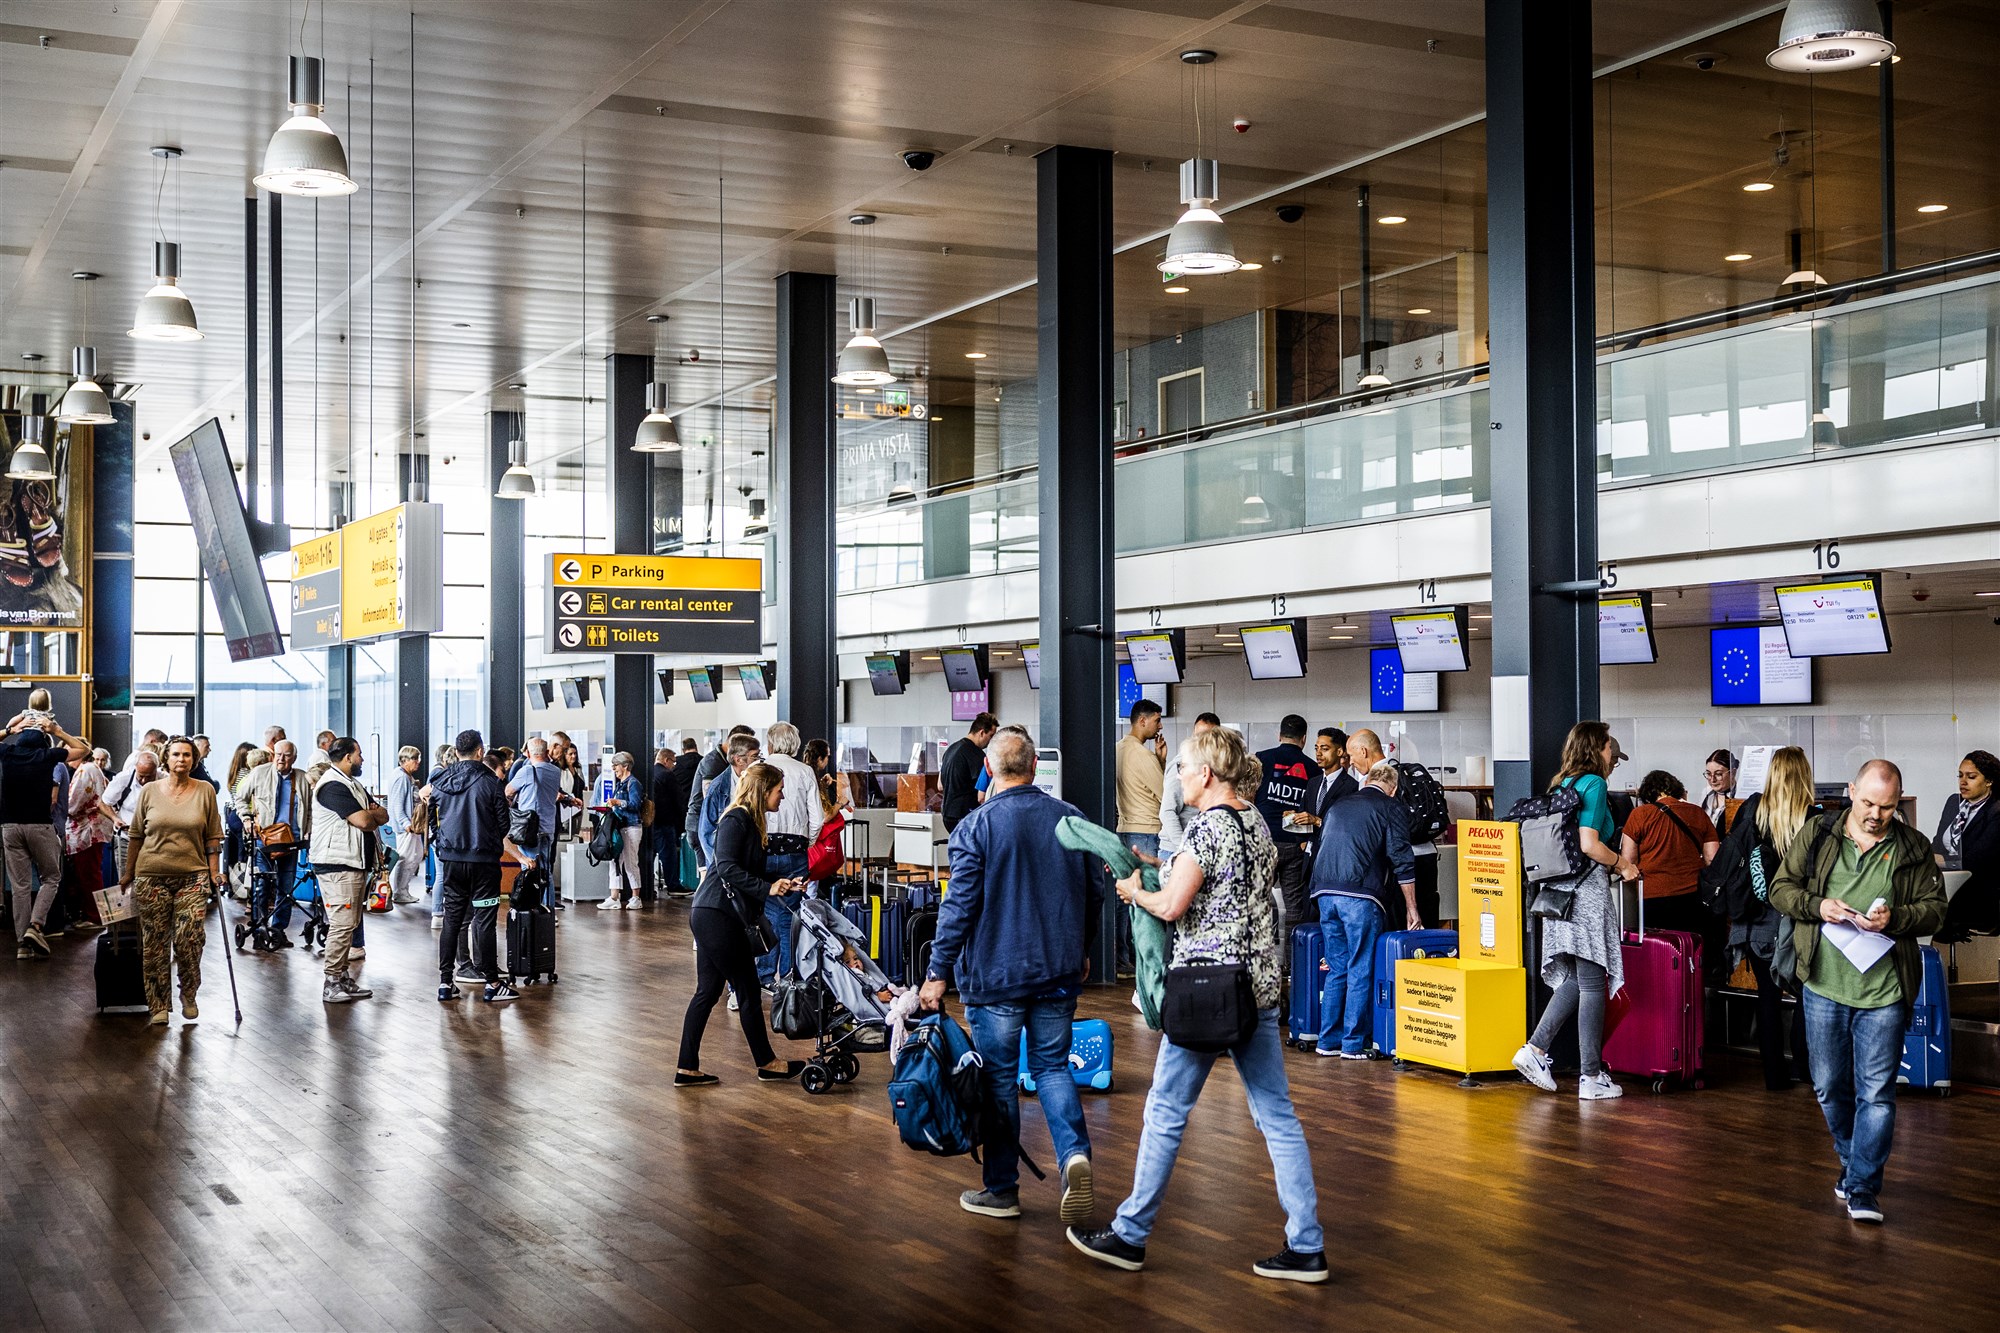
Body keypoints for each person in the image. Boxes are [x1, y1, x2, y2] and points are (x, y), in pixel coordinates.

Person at [1072, 726, 1325, 1283]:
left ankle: (1130, 1234)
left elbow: (1171, 906)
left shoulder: (1207, 828)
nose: (1178, 775)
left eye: (1182, 767)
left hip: (1207, 995)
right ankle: (1306, 1244)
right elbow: (1221, 890)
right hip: (1256, 991)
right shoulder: (1255, 820)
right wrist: (1161, 868)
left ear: (1206, 774)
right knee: (1277, 1118)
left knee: (1164, 1112)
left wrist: (1137, 890)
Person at [919, 728, 1101, 1224]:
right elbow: (1096, 894)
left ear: (991, 769)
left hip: (995, 978)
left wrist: (937, 973)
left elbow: (958, 908)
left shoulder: (975, 828)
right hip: (1058, 972)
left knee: (999, 1079)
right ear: (1034, 765)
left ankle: (1002, 1190)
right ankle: (1074, 1159)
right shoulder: (1072, 820)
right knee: (1052, 1067)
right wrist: (1080, 950)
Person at [1769, 759, 1946, 1225]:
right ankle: (1851, 1164)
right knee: (1829, 1087)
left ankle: (1864, 1185)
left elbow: (1935, 911)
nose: (1875, 814)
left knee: (1878, 1095)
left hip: (1885, 992)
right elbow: (1780, 889)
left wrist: (1898, 919)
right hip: (1824, 985)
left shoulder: (1913, 846)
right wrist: (1819, 906)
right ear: (1851, 791)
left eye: (1887, 807)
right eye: (1867, 802)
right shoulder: (1819, 835)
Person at [1512, 722, 1639, 1101]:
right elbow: (1588, 844)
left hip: (1557, 894)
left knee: (1575, 980)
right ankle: (1591, 1076)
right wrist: (1623, 864)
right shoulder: (1594, 785)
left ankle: (1534, 1050)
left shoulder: (1561, 784)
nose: (1610, 755)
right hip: (1585, 894)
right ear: (1598, 748)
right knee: (1592, 982)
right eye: (1607, 747)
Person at [675, 761, 806, 1086]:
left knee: (708, 991)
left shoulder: (749, 821)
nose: (782, 795)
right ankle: (767, 1063)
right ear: (763, 791)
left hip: (713, 913)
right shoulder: (736, 819)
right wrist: (767, 888)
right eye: (778, 790)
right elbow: (728, 868)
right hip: (718, 915)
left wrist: (781, 881)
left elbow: (746, 869)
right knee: (746, 990)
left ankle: (686, 1067)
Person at [1309, 759, 1419, 1058]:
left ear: (1366, 780)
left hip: (1323, 892)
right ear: (1393, 789)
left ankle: (1327, 1041)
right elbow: (1401, 859)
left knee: (1337, 967)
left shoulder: (1339, 805)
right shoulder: (1390, 807)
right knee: (1360, 966)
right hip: (1358, 895)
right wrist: (1412, 908)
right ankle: (1353, 1043)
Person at [1722, 745, 1817, 1090]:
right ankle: (1802, 1067)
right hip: (1796, 919)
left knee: (1768, 995)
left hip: (1755, 919)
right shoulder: (1813, 816)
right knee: (1807, 993)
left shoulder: (1751, 809)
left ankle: (1773, 1075)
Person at [119, 737, 223, 1024]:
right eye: (176, 754)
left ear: (194, 760)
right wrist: (128, 873)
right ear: (166, 759)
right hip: (152, 875)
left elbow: (213, 837)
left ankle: (188, 992)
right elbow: (137, 835)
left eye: (187, 755)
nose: (182, 759)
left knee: (190, 938)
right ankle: (158, 1005)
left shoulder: (205, 791)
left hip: (193, 875)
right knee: (155, 943)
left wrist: (215, 872)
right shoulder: (150, 791)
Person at [428, 730, 518, 1003]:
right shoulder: (491, 782)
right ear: (480, 752)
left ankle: (445, 982)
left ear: (456, 753)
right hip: (483, 863)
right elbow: (504, 825)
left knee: (452, 920)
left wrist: (445, 843)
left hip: (452, 861)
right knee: (485, 921)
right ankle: (492, 983)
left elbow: (432, 819)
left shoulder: (440, 780)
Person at [309, 738, 386, 1004]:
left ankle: (343, 978)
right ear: (347, 757)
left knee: (350, 923)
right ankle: (331, 982)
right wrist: (368, 814)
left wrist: (370, 814)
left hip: (353, 862)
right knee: (342, 924)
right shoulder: (332, 785)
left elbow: (383, 815)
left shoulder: (353, 784)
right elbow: (365, 820)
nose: (362, 759)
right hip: (337, 863)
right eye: (359, 754)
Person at [758, 722, 825, 981]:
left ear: (771, 743)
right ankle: (788, 975)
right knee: (790, 914)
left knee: (764, 913)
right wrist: (805, 843)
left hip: (763, 851)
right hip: (795, 851)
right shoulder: (805, 771)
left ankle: (763, 975)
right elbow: (817, 818)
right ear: (795, 744)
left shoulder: (756, 769)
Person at [1619, 769, 1720, 938]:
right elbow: (1712, 858)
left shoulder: (1639, 815)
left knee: (1660, 953)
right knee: (1690, 950)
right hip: (1692, 895)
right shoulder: (1698, 813)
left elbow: (1629, 860)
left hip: (1653, 896)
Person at [234, 740, 304, 950]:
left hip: (291, 840)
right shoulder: (259, 773)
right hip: (263, 838)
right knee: (261, 886)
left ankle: (278, 930)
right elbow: (240, 797)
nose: (281, 759)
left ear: (294, 757)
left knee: (286, 887)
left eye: (287, 755)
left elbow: (307, 808)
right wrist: (246, 819)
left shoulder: (300, 777)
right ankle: (259, 930)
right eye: (278, 754)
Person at [2, 725, 64, 958]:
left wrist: (10, 728)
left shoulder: (7, 754)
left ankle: (22, 946)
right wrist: (57, 731)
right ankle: (35, 926)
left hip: (9, 827)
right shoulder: (46, 755)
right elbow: (83, 748)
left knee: (20, 887)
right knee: (51, 877)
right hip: (39, 825)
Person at [1252, 714, 1316, 937]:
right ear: (1304, 738)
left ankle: (1261, 959)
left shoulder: (1262, 759)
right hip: (1295, 843)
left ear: (1280, 735)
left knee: (1258, 899)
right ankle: (1294, 964)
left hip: (1265, 840)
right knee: (1294, 906)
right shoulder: (1313, 769)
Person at [1115, 699, 1167, 976]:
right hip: (1146, 830)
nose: (1160, 726)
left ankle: (1121, 958)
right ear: (1142, 720)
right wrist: (1161, 763)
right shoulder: (1142, 756)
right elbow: (1164, 793)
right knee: (1145, 896)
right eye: (1157, 720)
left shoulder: (1117, 749)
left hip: (1123, 828)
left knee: (1125, 895)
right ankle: (1142, 959)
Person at [1935, 749, 2000, 942]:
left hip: (1977, 893)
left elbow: (1975, 861)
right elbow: (1937, 843)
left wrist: (1940, 861)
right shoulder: (1953, 803)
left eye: (1971, 777)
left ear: (1989, 781)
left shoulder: (1996, 812)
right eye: (1960, 775)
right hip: (1947, 883)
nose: (1963, 782)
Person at [1156, 712, 1221, 860]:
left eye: (1206, 737)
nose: (1200, 741)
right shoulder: (1182, 765)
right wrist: (1185, 849)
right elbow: (1167, 812)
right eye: (1197, 736)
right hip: (1175, 851)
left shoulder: (1208, 765)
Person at [65, 738, 114, 931]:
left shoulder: (86, 770)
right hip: (89, 829)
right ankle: (91, 914)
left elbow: (73, 804)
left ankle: (94, 916)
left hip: (88, 830)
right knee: (88, 873)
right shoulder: (89, 769)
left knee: (89, 874)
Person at [686, 725, 755, 865]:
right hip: (702, 827)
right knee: (709, 879)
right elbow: (710, 803)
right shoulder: (713, 764)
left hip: (707, 827)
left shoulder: (724, 763)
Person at [699, 732, 761, 862]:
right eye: (754, 757)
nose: (758, 761)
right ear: (738, 760)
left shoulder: (757, 782)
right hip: (727, 862)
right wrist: (720, 866)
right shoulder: (718, 788)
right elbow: (706, 833)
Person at [600, 751, 646, 909]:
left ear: (625, 766)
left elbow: (635, 805)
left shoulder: (633, 783)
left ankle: (635, 897)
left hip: (631, 827)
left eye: (616, 766)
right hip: (620, 827)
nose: (614, 769)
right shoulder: (621, 783)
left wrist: (617, 802)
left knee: (631, 861)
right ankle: (614, 896)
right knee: (615, 861)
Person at [1300, 727, 1354, 856]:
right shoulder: (1313, 783)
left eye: (1324, 749)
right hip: (1310, 855)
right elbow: (1304, 812)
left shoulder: (1351, 787)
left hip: (1336, 855)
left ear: (1339, 751)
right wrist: (1294, 818)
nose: (1318, 753)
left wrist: (1318, 821)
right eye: (1316, 748)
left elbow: (1347, 826)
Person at [940, 712, 997, 834]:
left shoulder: (951, 749)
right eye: (991, 736)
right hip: (965, 815)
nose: (991, 741)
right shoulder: (976, 754)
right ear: (982, 733)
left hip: (947, 814)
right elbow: (983, 793)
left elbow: (940, 785)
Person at [386, 746, 428, 905]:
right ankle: (399, 892)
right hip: (406, 826)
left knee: (415, 856)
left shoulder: (404, 776)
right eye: (415, 759)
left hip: (410, 825)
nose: (418, 762)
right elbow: (397, 804)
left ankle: (402, 890)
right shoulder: (401, 777)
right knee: (406, 858)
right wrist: (406, 824)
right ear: (406, 760)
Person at [1700, 749, 1738, 834]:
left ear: (1733, 772)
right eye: (1709, 774)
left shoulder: (1741, 796)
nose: (1712, 780)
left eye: (1718, 774)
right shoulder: (1706, 792)